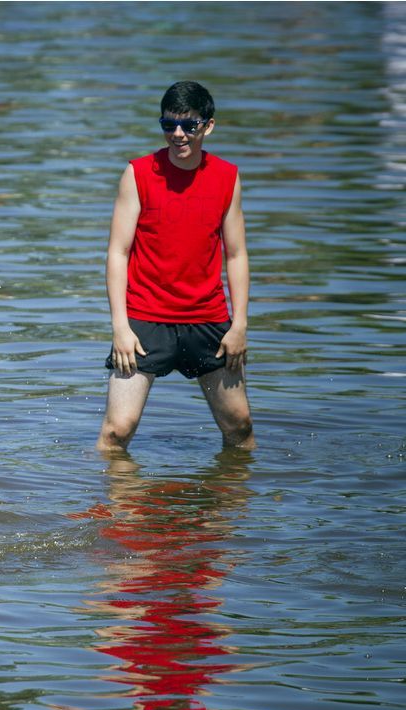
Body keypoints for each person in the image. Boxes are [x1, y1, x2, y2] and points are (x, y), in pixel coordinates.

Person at [96, 81, 255, 452]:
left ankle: (232, 507)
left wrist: (240, 324)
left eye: (188, 126)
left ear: (208, 126)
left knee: (240, 429)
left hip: (208, 319)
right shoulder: (138, 174)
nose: (178, 134)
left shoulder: (227, 177)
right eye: (169, 125)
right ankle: (118, 508)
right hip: (145, 320)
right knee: (116, 433)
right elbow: (118, 252)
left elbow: (236, 254)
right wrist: (120, 326)